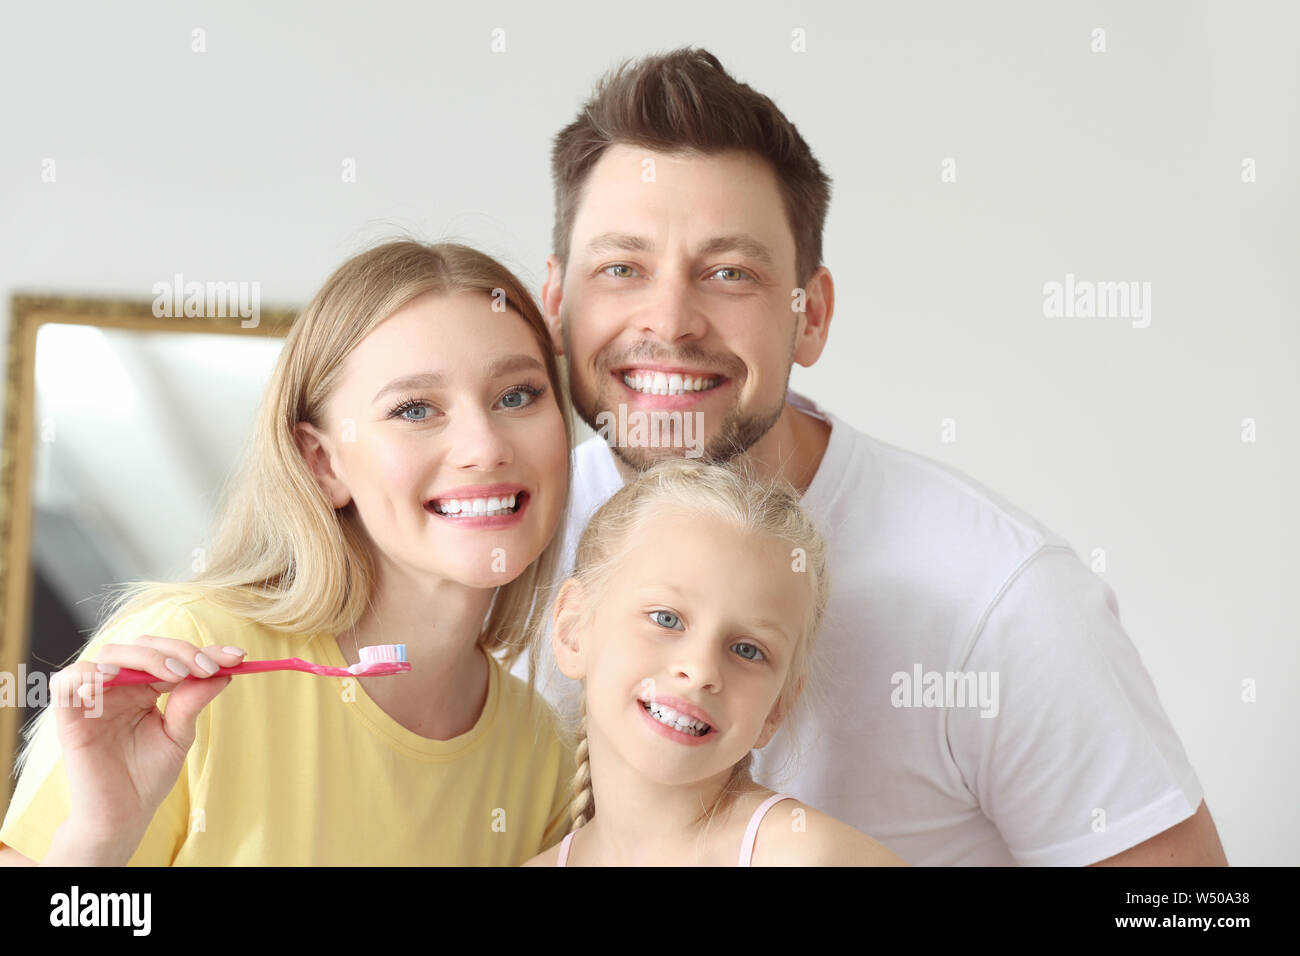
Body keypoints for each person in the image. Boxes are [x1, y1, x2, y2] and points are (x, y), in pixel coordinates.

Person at [509, 47, 1229, 866]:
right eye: (621, 268)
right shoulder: (504, 551)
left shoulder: (998, 598)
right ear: (558, 303)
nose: (670, 321)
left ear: (809, 315)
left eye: (729, 272)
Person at [0, 240, 577, 865]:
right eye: (415, 409)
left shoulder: (541, 753)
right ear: (322, 462)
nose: (484, 445)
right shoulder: (186, 664)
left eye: (517, 395)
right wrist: (97, 844)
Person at [522, 459, 905, 866]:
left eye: (747, 650)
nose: (702, 670)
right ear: (573, 630)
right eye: (666, 619)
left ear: (777, 707)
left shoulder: (813, 858)